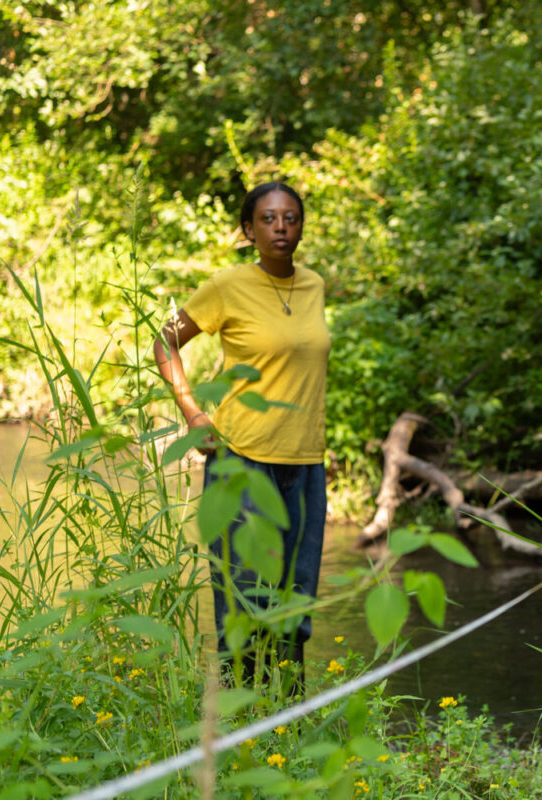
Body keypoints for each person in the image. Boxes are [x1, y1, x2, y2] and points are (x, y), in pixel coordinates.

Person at [153, 181, 331, 688]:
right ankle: (233, 717)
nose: (281, 227)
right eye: (268, 219)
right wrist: (193, 414)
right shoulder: (227, 286)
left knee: (295, 601)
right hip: (242, 460)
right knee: (244, 600)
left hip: (306, 463)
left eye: (290, 218)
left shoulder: (314, 285)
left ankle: (289, 717)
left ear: (301, 226)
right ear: (249, 230)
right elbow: (165, 342)